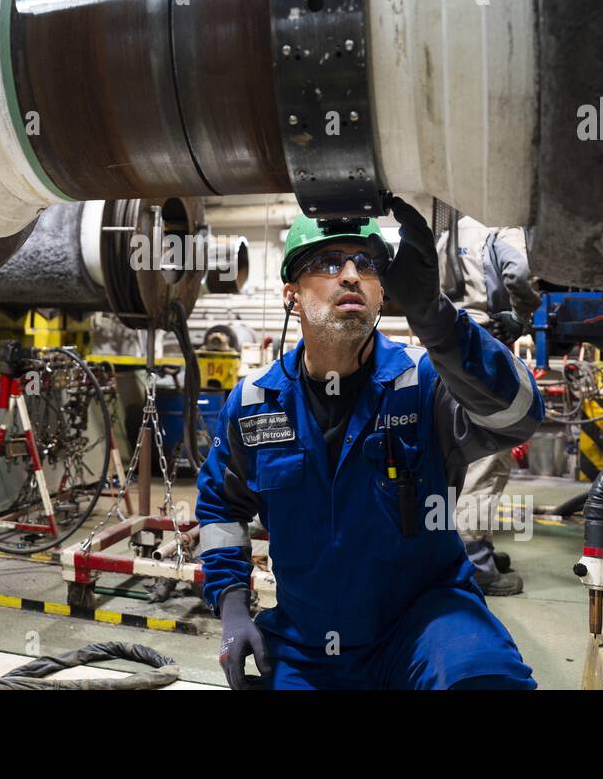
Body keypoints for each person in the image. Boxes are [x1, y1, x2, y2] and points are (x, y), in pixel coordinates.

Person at [195, 198, 544, 689]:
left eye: (367, 264)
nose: (351, 275)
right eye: (327, 263)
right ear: (290, 294)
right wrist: (232, 604)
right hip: (309, 641)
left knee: (481, 677)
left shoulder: (424, 381)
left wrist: (437, 317)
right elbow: (220, 507)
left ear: (383, 293)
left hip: (424, 624)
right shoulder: (255, 405)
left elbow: (520, 416)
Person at [436, 212, 542, 596]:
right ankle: (476, 564)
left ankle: (459, 553)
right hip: (484, 341)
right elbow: (519, 272)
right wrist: (521, 315)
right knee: (488, 455)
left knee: (455, 452)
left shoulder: (448, 233)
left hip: (443, 346)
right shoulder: (502, 227)